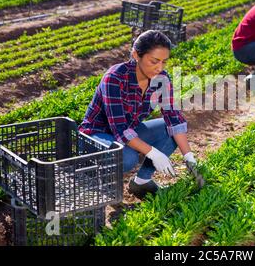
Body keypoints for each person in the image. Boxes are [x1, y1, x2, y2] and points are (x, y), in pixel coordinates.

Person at [79, 30, 196, 199]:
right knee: (127, 157)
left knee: (168, 129)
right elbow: (120, 129)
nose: (159, 67)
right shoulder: (115, 78)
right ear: (136, 55)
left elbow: (173, 117)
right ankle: (93, 178)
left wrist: (189, 157)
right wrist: (153, 153)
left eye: (164, 62)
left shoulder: (161, 78)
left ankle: (141, 182)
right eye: (154, 61)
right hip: (96, 136)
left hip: (128, 132)